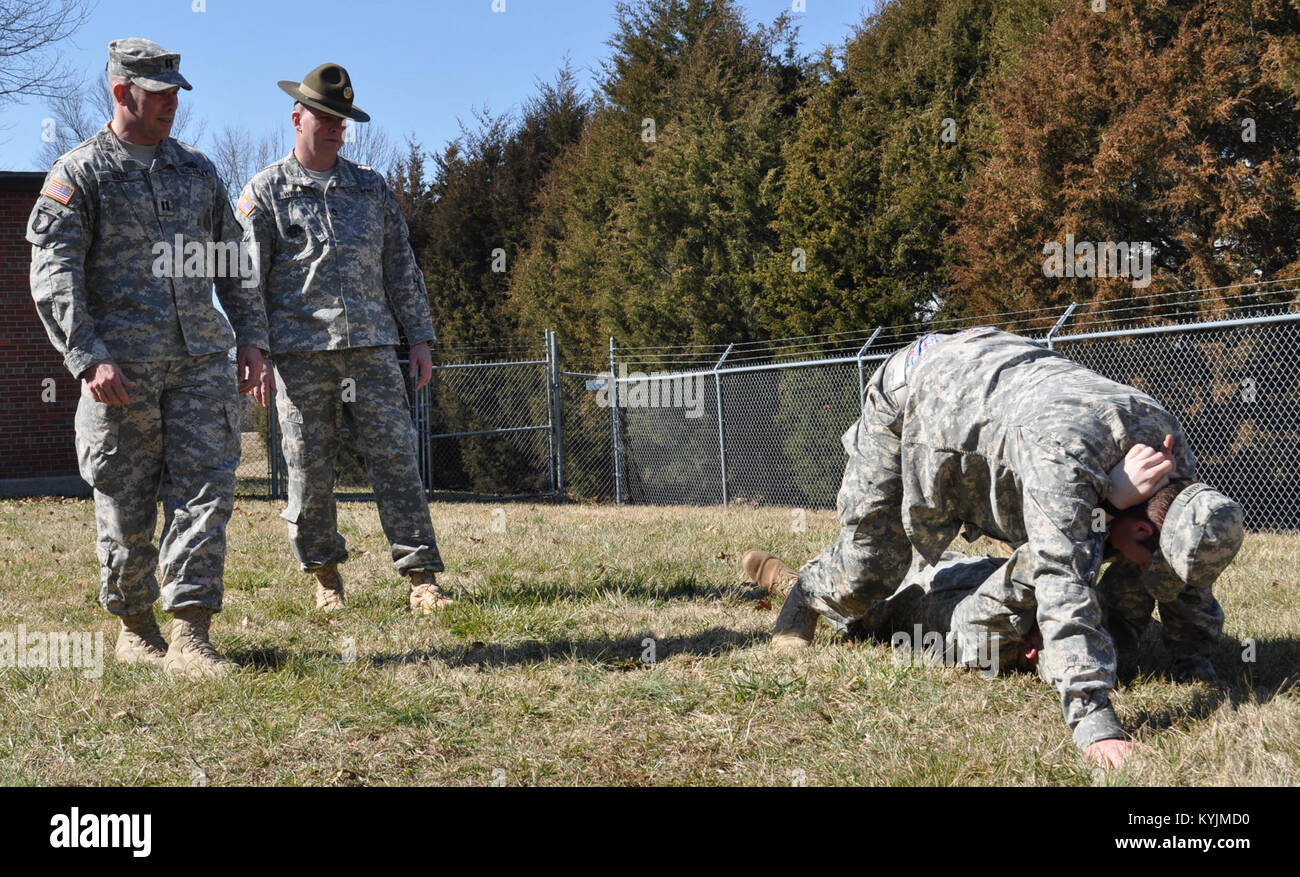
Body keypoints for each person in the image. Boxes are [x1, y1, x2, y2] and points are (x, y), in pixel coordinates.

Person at [742, 328, 1243, 768]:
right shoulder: (1065, 464)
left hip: (994, 389)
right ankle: (804, 596)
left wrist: (1197, 667)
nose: (1152, 581)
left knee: (1082, 556)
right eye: (1148, 562)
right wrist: (1096, 725)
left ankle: (930, 593)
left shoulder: (1168, 459)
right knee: (871, 567)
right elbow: (1060, 579)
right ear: (1140, 532)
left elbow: (1186, 572)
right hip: (919, 394)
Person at [27, 38, 270, 678]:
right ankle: (135, 625)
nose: (170, 106)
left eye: (175, 95)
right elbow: (54, 274)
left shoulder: (197, 172)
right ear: (121, 92)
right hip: (121, 374)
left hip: (199, 365)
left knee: (205, 494)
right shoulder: (79, 175)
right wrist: (88, 356)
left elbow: (233, 260)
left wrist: (251, 337)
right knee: (126, 505)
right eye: (158, 95)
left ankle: (191, 633)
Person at [236, 63, 448, 613]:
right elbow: (247, 278)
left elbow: (401, 265)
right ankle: (325, 576)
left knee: (397, 461)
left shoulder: (370, 187)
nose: (335, 128)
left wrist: (419, 337)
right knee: (309, 474)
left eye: (343, 120)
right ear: (297, 117)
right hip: (301, 357)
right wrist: (252, 348)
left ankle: (422, 576)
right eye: (325, 117)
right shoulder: (266, 191)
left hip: (373, 351)